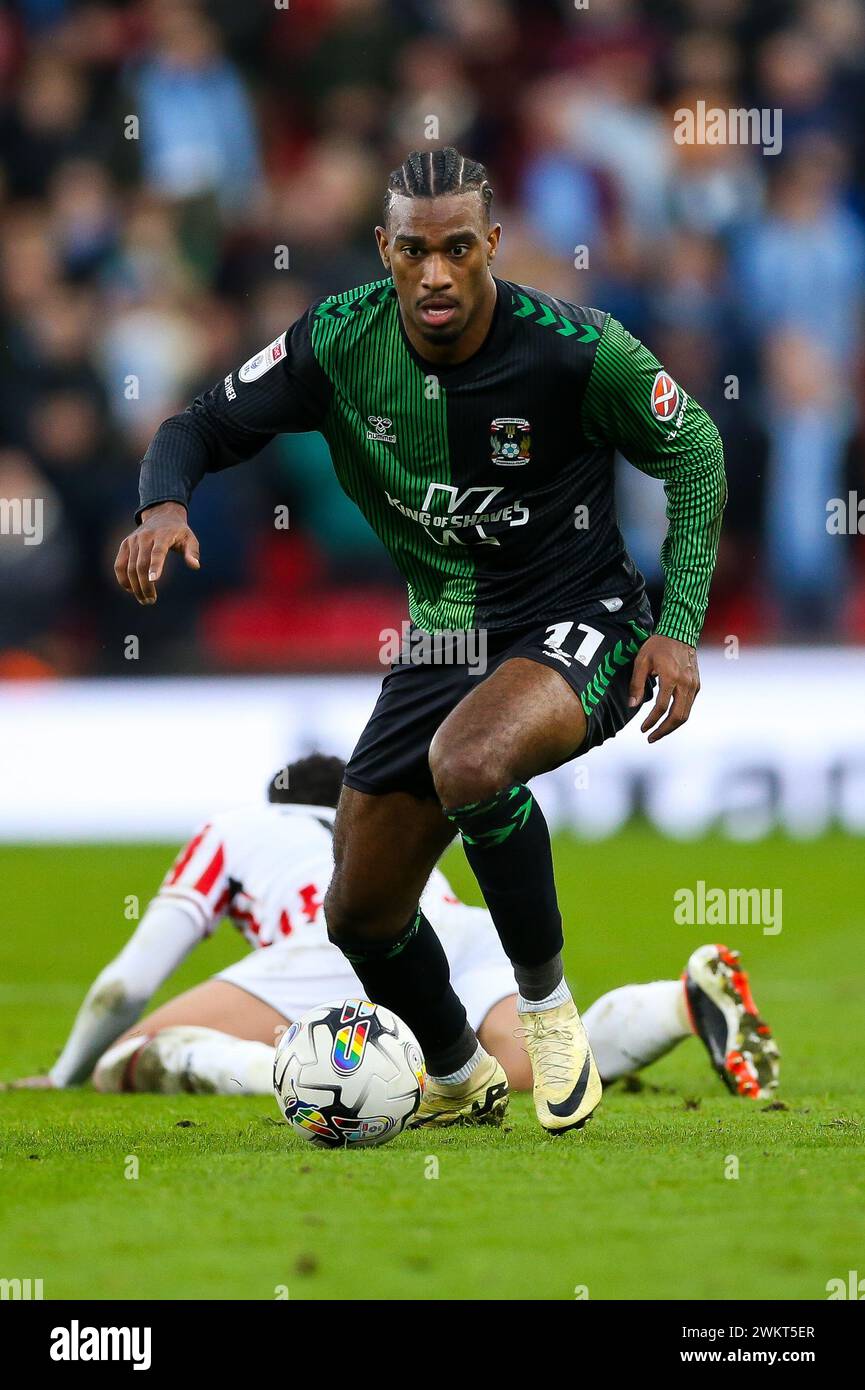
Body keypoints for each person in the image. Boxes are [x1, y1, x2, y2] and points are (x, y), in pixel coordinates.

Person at [114, 147, 727, 1134]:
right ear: (383, 250)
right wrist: (160, 507)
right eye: (412, 251)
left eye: (455, 249)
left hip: (584, 617)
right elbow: (200, 423)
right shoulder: (337, 341)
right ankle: (456, 1069)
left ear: (491, 245)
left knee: (473, 763)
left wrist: (680, 628)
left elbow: (693, 447)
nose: (435, 273)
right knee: (359, 912)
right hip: (444, 637)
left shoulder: (575, 349)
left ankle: (547, 1011)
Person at [9, 756, 778, 1109]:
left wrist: (68, 1071)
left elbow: (128, 982)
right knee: (535, 1067)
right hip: (453, 930)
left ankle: (302, 1079)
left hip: (333, 943)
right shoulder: (372, 830)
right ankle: (678, 1001)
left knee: (128, 1054)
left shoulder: (237, 827)